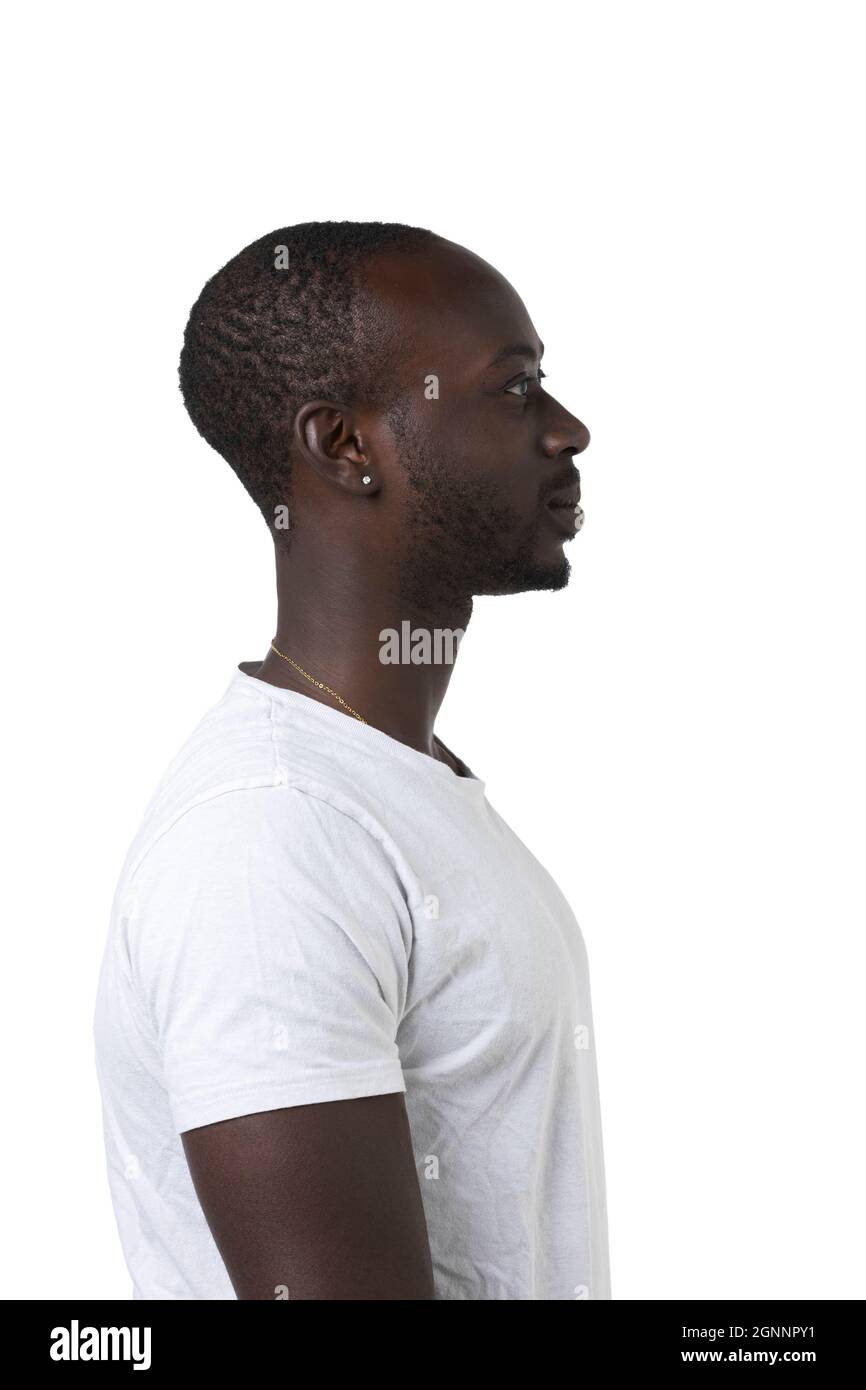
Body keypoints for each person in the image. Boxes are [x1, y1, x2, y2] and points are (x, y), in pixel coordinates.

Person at [92, 221, 610, 1300]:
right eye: (511, 391)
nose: (567, 431)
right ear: (344, 447)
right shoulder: (274, 832)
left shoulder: (385, 788)